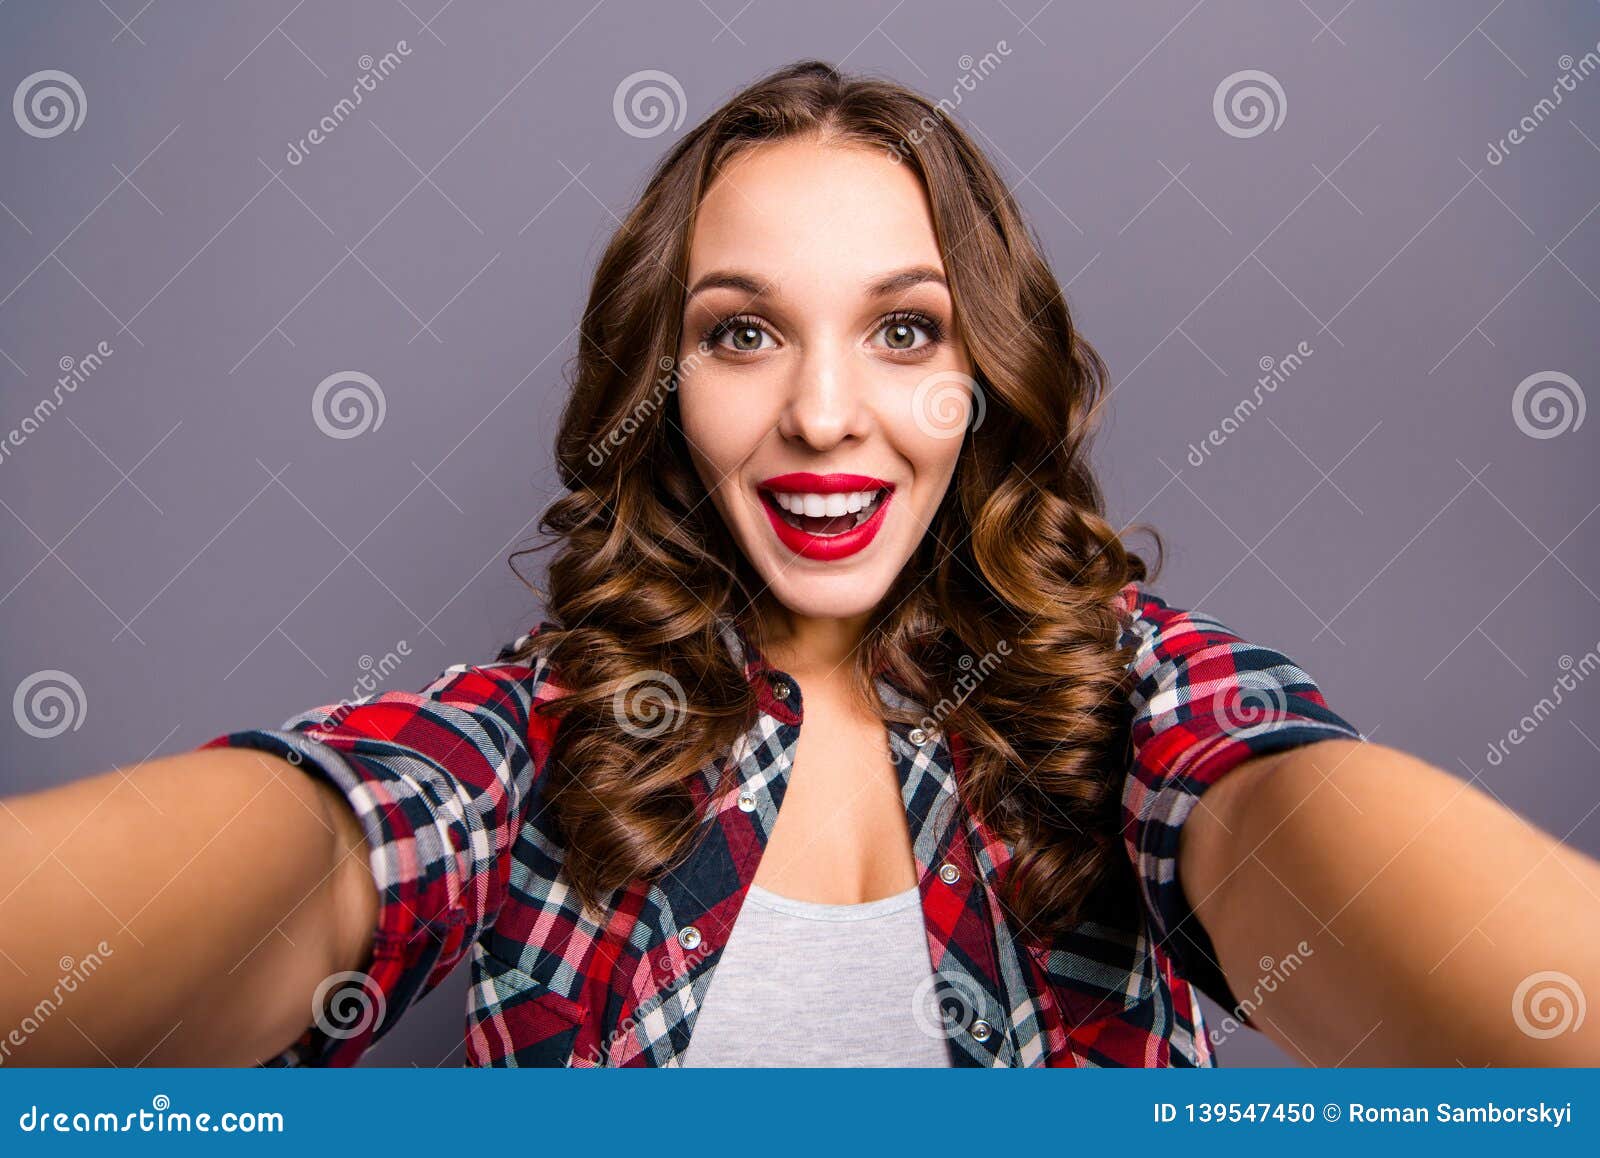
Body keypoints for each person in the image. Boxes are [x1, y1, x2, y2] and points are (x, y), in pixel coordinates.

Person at [3, 60, 1597, 1069]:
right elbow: (328, 843)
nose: (824, 412)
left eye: (905, 329)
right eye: (743, 332)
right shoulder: (538, 745)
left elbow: (1285, 819)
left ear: (985, 387)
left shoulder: (1135, 691)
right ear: (664, 383)